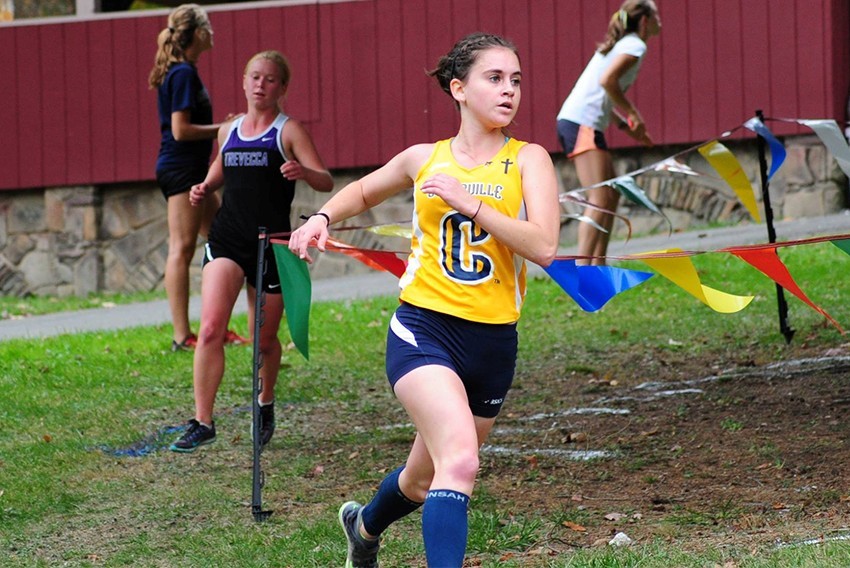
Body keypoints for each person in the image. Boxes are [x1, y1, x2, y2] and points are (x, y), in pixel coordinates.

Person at [289, 32, 560, 568]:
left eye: (516, 80)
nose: (509, 91)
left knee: (422, 478)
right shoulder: (424, 158)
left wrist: (470, 203)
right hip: (424, 330)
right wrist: (321, 217)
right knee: (459, 461)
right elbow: (365, 190)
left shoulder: (529, 160)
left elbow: (545, 247)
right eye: (494, 78)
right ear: (458, 88)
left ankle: (364, 528)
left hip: (493, 342)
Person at [169, 50, 334, 452]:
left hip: (271, 244)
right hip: (227, 239)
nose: (261, 84)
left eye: (271, 79)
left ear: (282, 87)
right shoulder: (229, 130)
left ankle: (265, 401)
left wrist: (303, 172)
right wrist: (204, 187)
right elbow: (222, 166)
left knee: (264, 339)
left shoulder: (288, 130)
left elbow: (326, 181)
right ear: (244, 82)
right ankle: (202, 421)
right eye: (255, 77)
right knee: (210, 329)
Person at [149, 3, 246, 351]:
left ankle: (213, 326)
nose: (213, 32)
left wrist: (224, 125)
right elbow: (180, 130)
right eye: (209, 26)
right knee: (182, 247)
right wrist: (226, 127)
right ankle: (182, 336)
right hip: (181, 169)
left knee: (223, 239)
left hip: (192, 168)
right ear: (198, 33)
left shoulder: (184, 71)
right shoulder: (182, 74)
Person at [556, 0, 661, 265]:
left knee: (610, 194)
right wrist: (633, 113)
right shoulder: (635, 45)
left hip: (583, 122)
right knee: (599, 196)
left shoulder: (620, 45)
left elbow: (601, 94)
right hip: (582, 123)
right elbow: (607, 82)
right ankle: (583, 269)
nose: (661, 21)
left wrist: (627, 127)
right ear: (645, 21)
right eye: (657, 15)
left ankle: (598, 265)